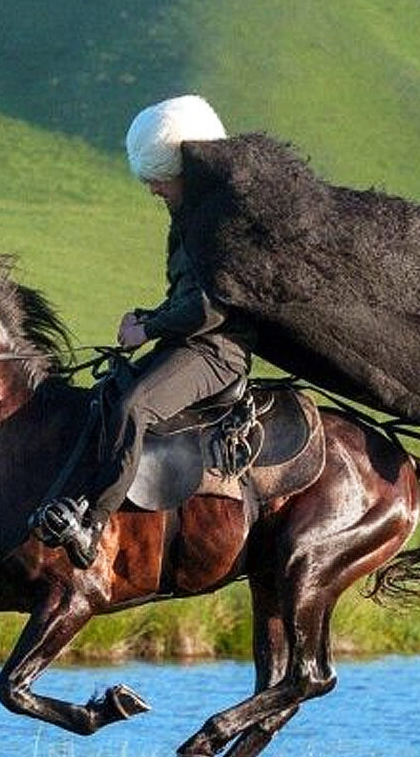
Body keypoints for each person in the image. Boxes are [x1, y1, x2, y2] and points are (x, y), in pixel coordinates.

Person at [35, 95, 256, 569]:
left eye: (160, 178)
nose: (153, 188)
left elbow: (209, 308)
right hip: (189, 342)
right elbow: (184, 296)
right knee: (106, 395)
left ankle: (93, 523)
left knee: (133, 406)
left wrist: (150, 328)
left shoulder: (220, 223)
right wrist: (146, 317)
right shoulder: (186, 221)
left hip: (218, 352)